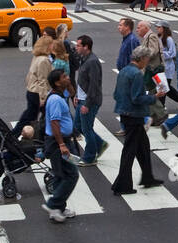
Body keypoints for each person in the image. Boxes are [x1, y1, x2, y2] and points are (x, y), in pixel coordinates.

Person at [111, 45, 166, 195]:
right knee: (129, 151)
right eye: (147, 60)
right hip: (134, 115)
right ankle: (122, 185)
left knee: (143, 147)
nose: (147, 63)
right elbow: (137, 98)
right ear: (141, 59)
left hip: (125, 112)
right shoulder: (136, 74)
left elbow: (116, 94)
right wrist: (154, 97)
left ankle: (148, 177)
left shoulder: (123, 71)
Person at [42, 69, 79, 222]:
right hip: (58, 143)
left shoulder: (59, 94)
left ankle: (58, 209)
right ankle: (53, 204)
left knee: (60, 175)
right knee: (72, 174)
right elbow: (54, 122)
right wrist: (62, 144)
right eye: (64, 77)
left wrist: (70, 87)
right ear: (57, 82)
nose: (68, 78)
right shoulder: (56, 100)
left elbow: (71, 93)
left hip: (61, 141)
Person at [74, 35, 107, 166]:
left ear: (86, 47)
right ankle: (100, 144)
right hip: (81, 99)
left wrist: (87, 104)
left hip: (89, 101)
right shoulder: (84, 58)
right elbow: (82, 80)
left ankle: (90, 157)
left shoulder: (92, 61)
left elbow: (94, 85)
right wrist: (77, 95)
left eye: (78, 45)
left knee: (87, 129)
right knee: (78, 126)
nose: (76, 47)